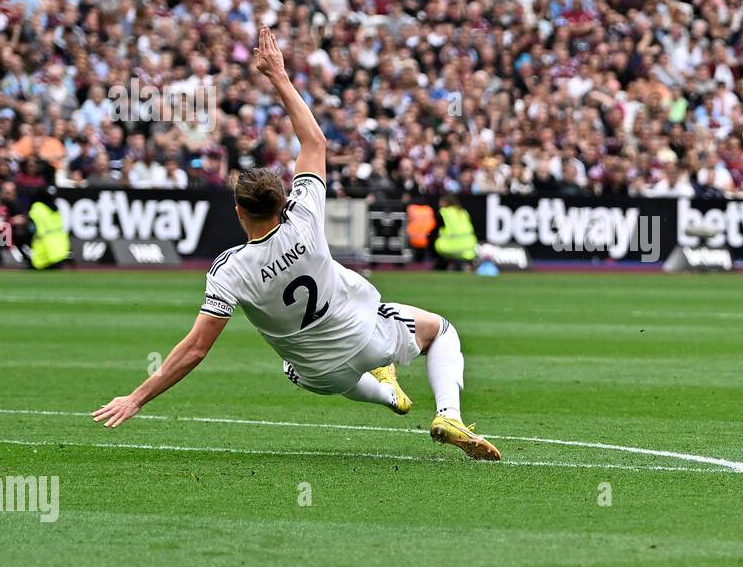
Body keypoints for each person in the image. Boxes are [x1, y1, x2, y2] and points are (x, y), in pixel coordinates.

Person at [92, 29, 500, 461]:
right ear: (283, 200)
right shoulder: (303, 216)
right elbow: (315, 143)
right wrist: (279, 76)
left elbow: (195, 349)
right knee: (440, 331)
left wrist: (136, 398)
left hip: (317, 373)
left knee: (296, 368)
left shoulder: (229, 270)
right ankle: (448, 415)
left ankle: (386, 395)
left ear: (238, 212)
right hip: (366, 337)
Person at [433, 194, 478, 271]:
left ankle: (439, 264)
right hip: (469, 247)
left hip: (450, 247)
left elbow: (434, 228)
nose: (439, 204)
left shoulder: (444, 212)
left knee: (433, 239)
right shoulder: (464, 212)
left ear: (447, 203)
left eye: (441, 202)